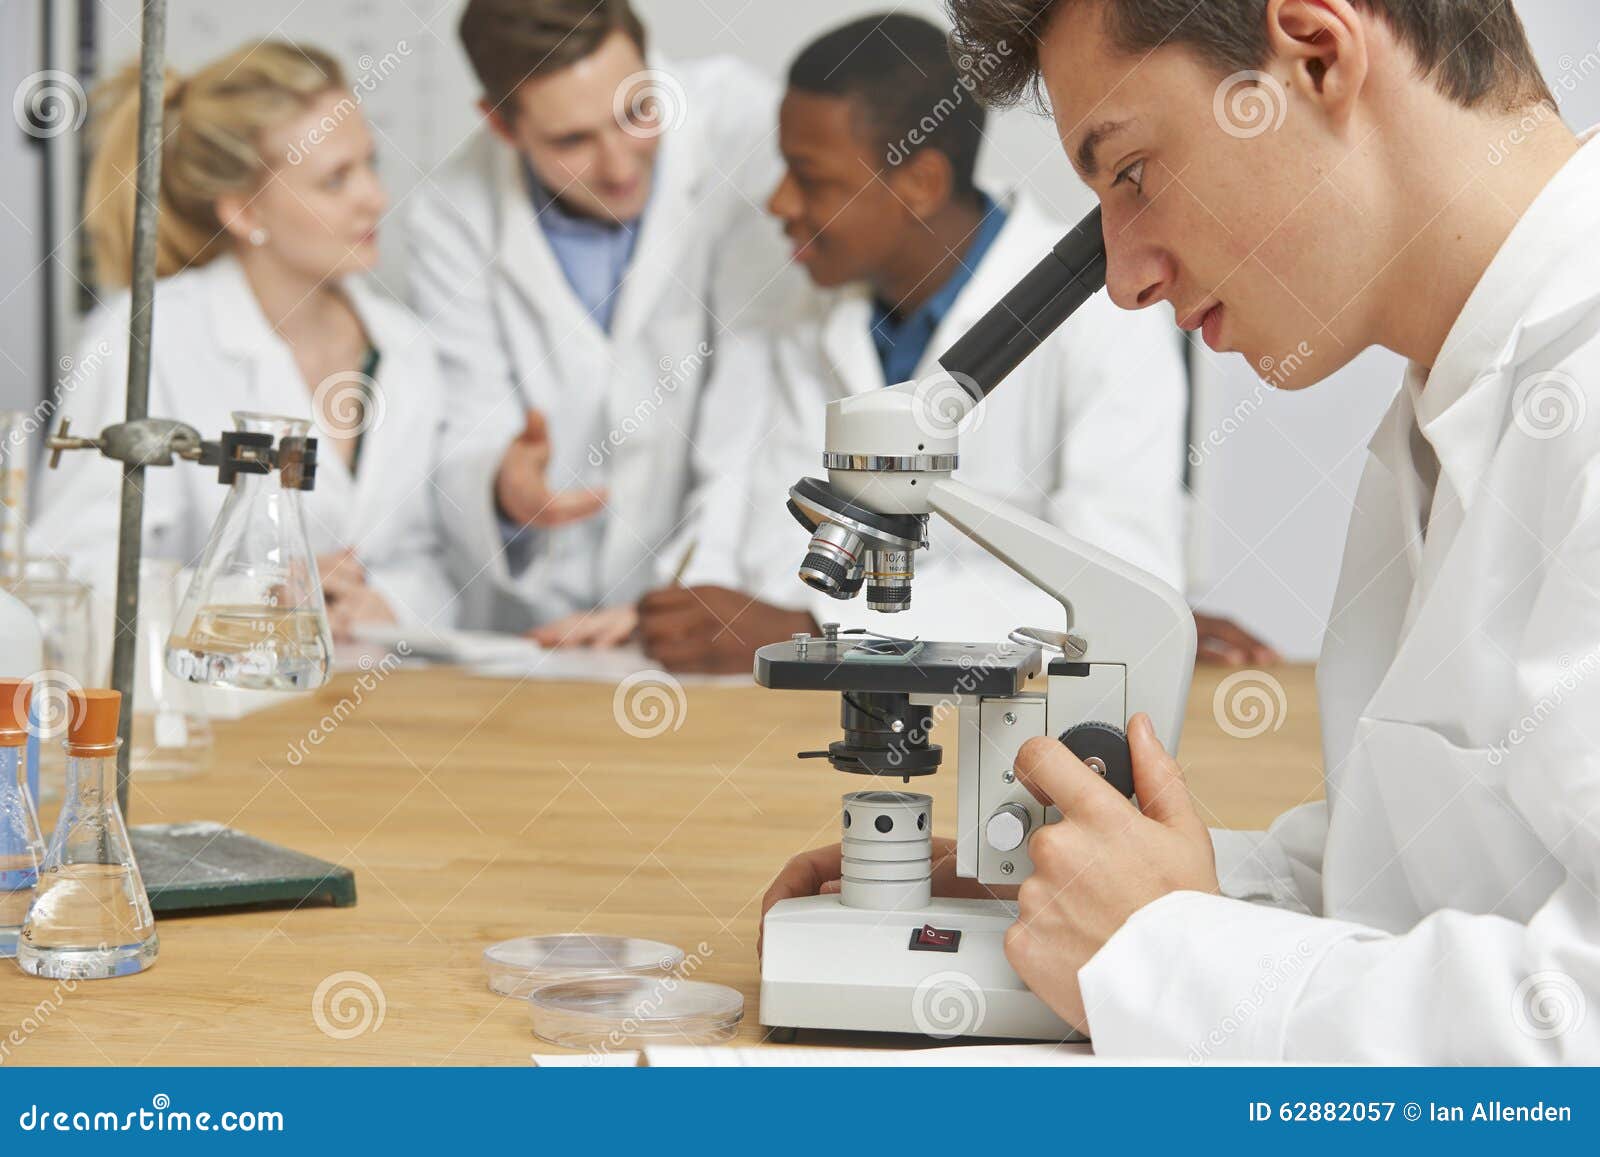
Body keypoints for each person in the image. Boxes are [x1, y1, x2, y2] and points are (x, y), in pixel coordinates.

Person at [765, 0, 1600, 1063]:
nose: (1121, 278)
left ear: (1311, 54)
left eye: (1132, 173)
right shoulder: (1462, 399)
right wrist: (1074, 879)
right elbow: (1420, 887)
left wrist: (1165, 952)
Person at [632, 13, 1276, 673]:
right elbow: (728, 519)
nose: (778, 202)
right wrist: (688, 610)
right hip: (776, 705)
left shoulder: (1105, 319)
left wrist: (820, 628)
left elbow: (1115, 590)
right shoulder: (790, 301)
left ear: (922, 184)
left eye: (812, 178)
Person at [35, 41, 456, 643]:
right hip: (208, 712)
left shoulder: (405, 345)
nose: (375, 197)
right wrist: (249, 592)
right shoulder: (145, 338)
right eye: (335, 179)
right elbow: (67, 574)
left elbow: (431, 562)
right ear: (243, 211)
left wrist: (384, 605)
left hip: (373, 705)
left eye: (370, 164)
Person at [410, 0, 797, 638]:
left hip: (713, 607)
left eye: (636, 113)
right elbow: (467, 420)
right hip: (539, 627)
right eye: (572, 142)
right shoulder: (452, 214)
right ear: (500, 126)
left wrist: (690, 590)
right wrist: (502, 488)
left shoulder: (744, 127)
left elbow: (757, 401)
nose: (619, 167)